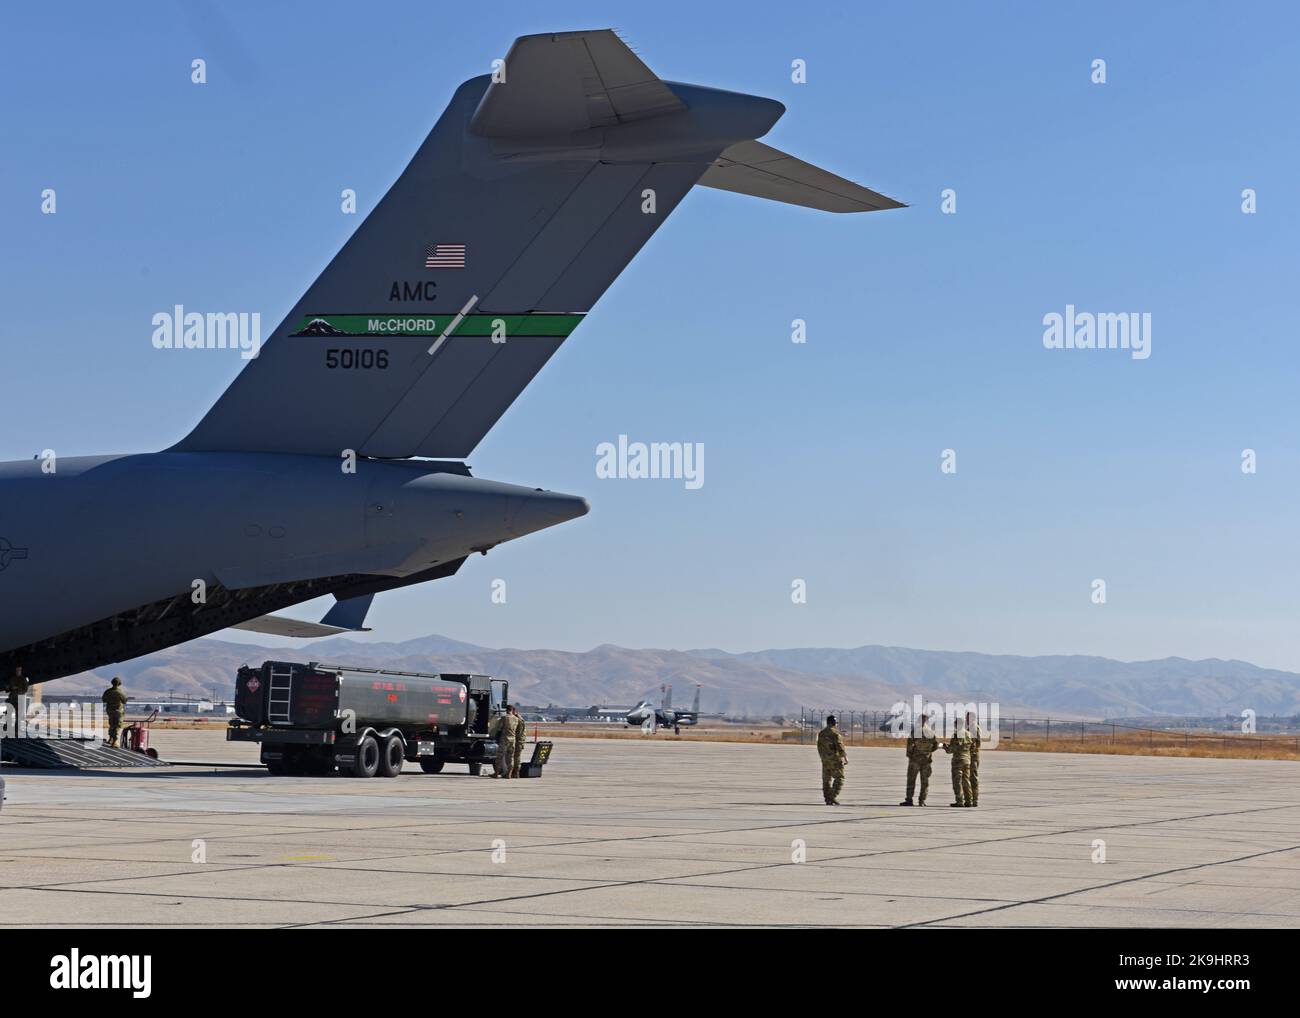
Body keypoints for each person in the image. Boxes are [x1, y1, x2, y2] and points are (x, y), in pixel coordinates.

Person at [900, 714, 939, 806]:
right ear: (927, 721)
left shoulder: (915, 731)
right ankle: (922, 800)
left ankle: (909, 799)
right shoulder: (931, 732)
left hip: (915, 760)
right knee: (925, 781)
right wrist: (928, 752)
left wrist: (910, 755)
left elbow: (909, 745)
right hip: (926, 760)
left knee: (911, 780)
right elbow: (936, 745)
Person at [816, 714, 847, 806]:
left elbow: (819, 747)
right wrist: (844, 756)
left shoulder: (821, 733)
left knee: (826, 780)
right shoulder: (835, 734)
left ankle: (827, 798)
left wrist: (823, 757)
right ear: (834, 723)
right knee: (840, 778)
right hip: (834, 760)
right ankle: (831, 797)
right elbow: (839, 746)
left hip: (825, 760)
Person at [944, 721, 974, 807]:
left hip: (958, 761)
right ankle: (969, 801)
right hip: (967, 760)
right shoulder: (969, 734)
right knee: (966, 781)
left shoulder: (956, 735)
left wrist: (945, 747)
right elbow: (972, 747)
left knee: (957, 782)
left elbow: (952, 749)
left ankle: (959, 801)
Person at [490, 707, 519, 778]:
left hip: (504, 739)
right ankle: (509, 774)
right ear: (512, 710)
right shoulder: (516, 719)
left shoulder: (504, 718)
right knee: (510, 757)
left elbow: (499, 728)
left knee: (499, 756)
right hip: (512, 739)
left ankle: (496, 774)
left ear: (506, 710)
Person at [102, 677, 129, 748]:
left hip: (110, 710)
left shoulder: (107, 691)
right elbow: (125, 701)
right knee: (117, 725)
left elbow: (104, 699)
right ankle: (114, 741)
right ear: (119, 684)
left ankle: (110, 738)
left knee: (111, 724)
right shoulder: (120, 692)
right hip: (118, 711)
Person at [965, 711, 982, 807]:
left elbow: (978, 742)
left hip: (973, 756)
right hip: (969, 755)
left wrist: (972, 750)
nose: (966, 719)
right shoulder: (969, 727)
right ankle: (969, 798)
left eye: (967, 718)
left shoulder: (974, 728)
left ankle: (974, 799)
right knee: (967, 777)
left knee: (973, 778)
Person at [510, 705, 527, 778]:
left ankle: (516, 773)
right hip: (519, 740)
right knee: (516, 756)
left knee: (516, 757)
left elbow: (519, 732)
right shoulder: (518, 718)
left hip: (518, 740)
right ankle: (515, 772)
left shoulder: (518, 719)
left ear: (514, 711)